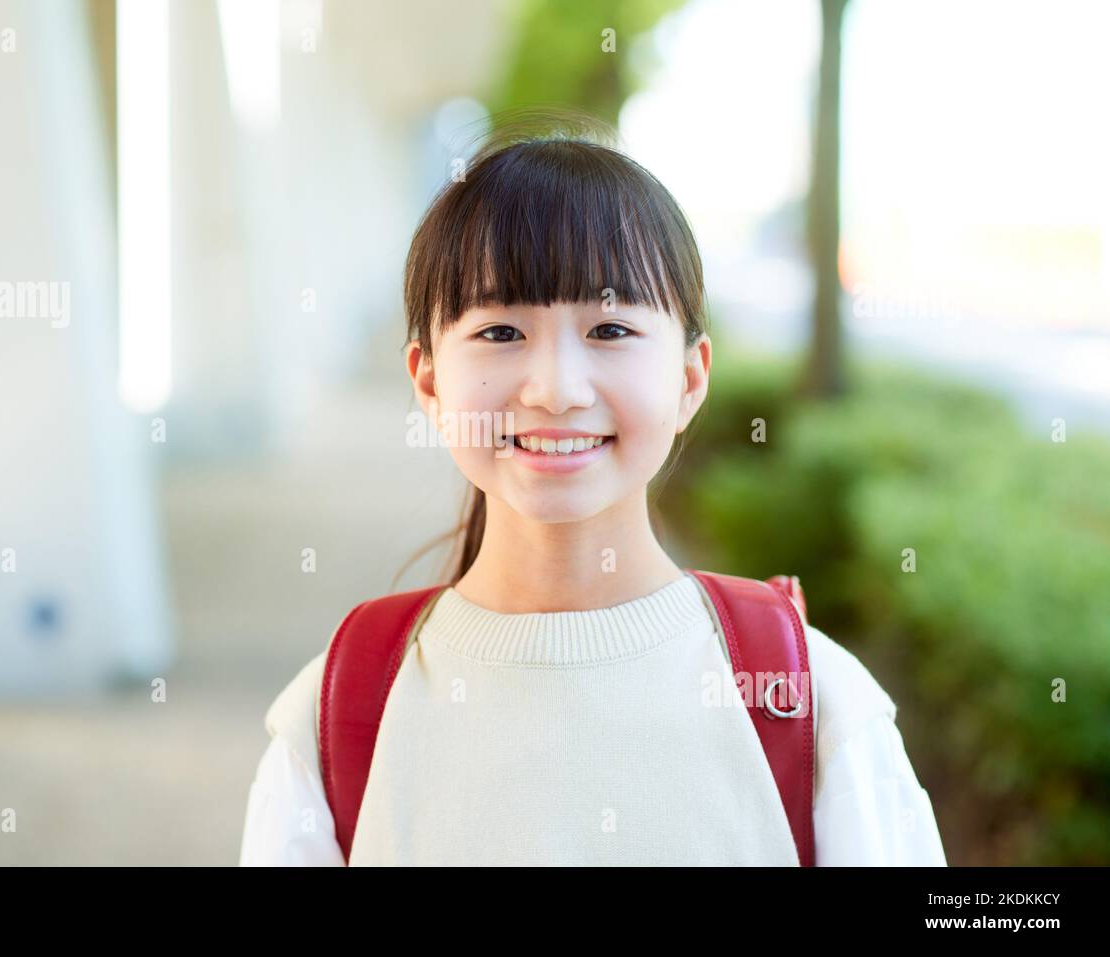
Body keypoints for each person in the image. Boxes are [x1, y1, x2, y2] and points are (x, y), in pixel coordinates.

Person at [239, 114, 948, 866]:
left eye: (610, 329)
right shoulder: (338, 717)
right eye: (500, 331)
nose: (556, 389)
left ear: (689, 377)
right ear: (428, 379)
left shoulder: (814, 704)